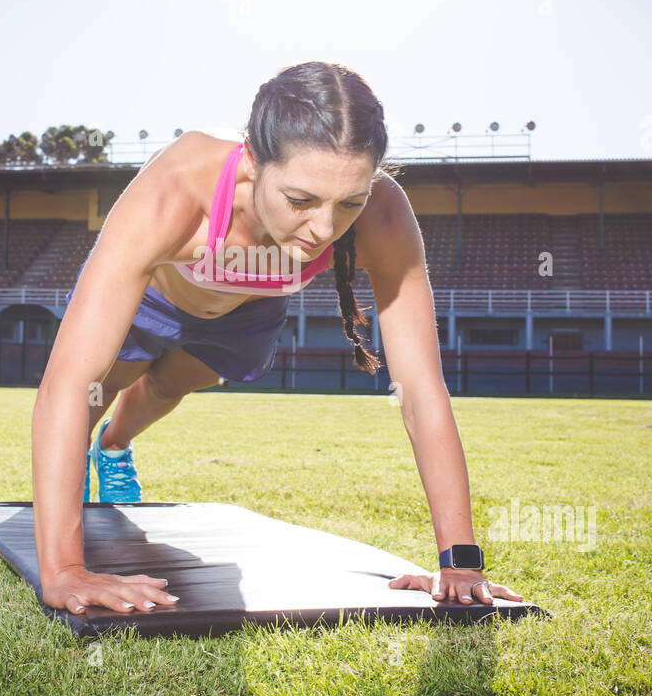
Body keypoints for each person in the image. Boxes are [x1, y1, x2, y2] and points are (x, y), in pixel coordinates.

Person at [32, 61, 524, 616]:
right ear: (251, 160)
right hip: (154, 299)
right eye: (300, 200)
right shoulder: (175, 192)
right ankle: (102, 435)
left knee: (171, 385)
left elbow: (421, 389)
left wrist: (460, 560)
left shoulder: (383, 214)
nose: (323, 229)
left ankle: (115, 448)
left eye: (349, 203)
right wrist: (65, 572)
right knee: (95, 394)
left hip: (246, 310)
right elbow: (65, 386)